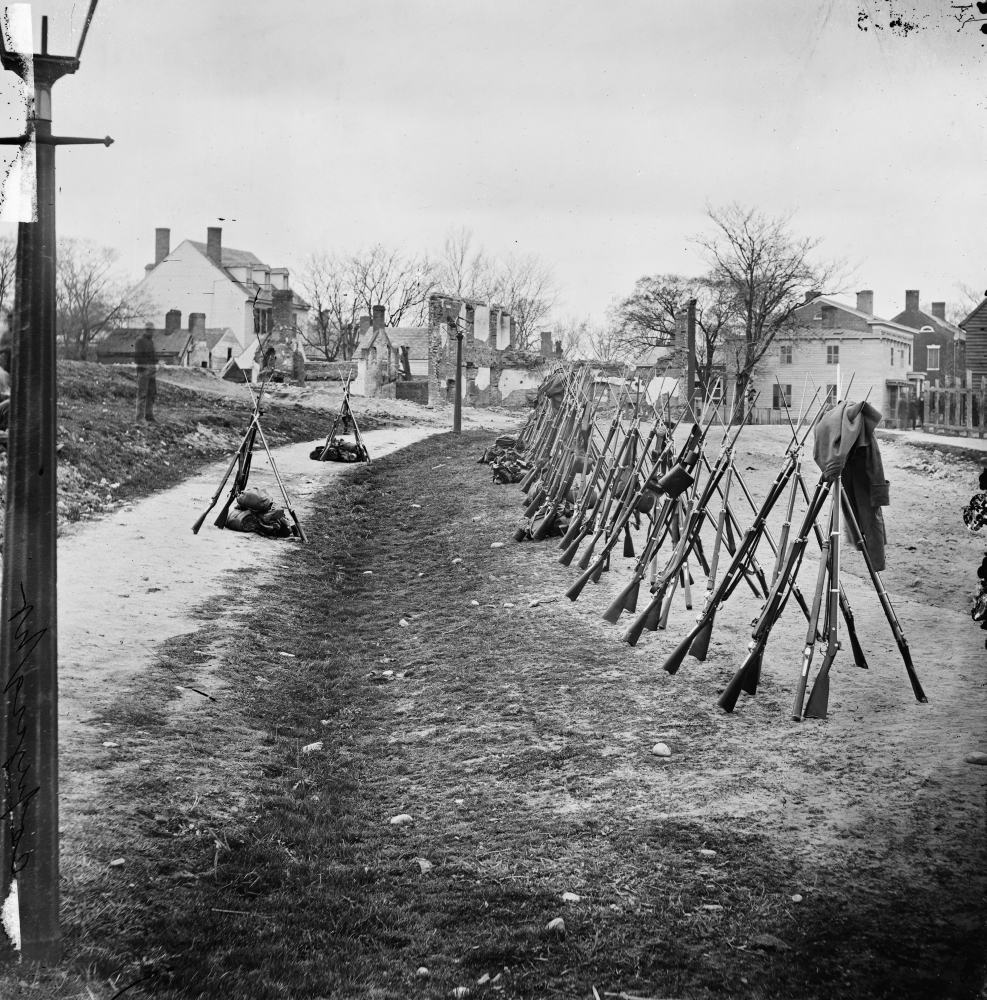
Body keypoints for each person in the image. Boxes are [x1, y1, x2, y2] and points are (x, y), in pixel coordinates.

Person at [134, 323, 158, 422]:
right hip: (143, 371)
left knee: (152, 394)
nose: (150, 332)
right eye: (148, 330)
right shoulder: (139, 341)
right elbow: (138, 358)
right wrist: (146, 366)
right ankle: (139, 417)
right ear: (145, 330)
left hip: (151, 371)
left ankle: (149, 415)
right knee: (142, 394)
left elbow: (152, 357)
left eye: (151, 330)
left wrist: (157, 361)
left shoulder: (151, 342)